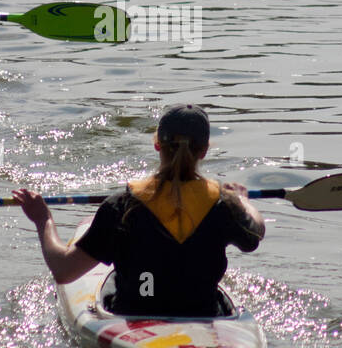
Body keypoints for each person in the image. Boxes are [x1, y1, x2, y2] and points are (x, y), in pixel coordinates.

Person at [14, 104, 265, 316]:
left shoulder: (122, 206)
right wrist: (242, 201)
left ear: (157, 144)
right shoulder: (225, 206)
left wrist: (43, 219)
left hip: (134, 312)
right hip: (203, 314)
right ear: (205, 150)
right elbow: (255, 235)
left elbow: (64, 271)